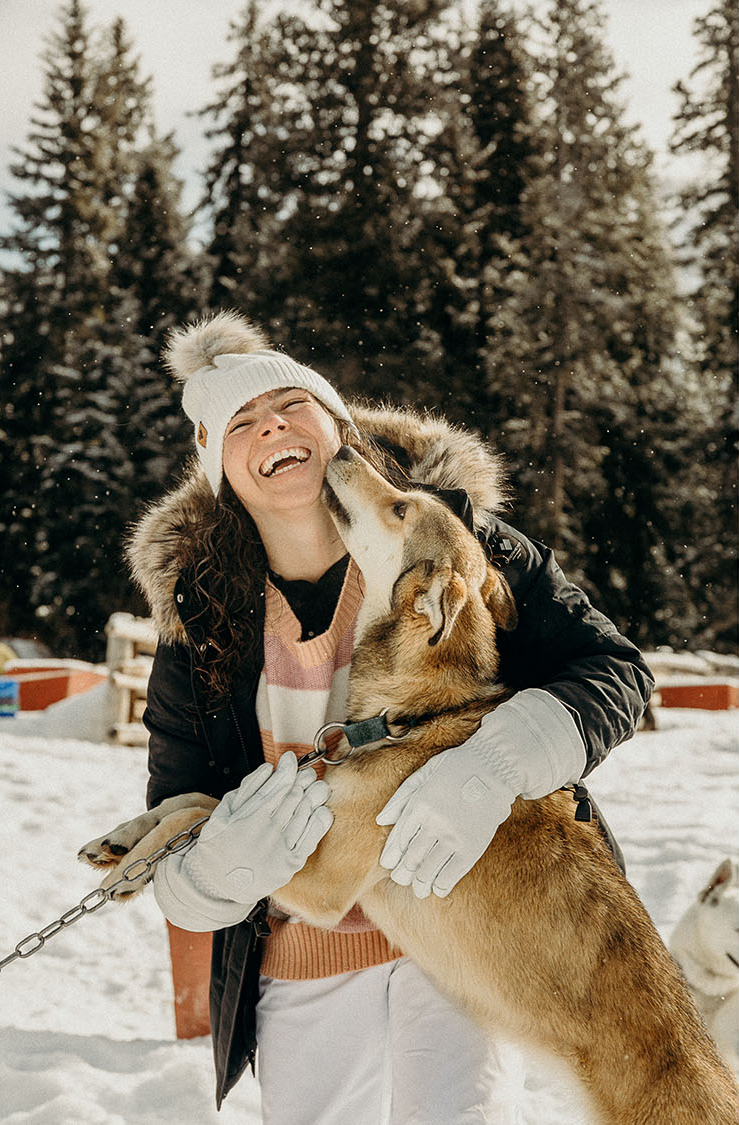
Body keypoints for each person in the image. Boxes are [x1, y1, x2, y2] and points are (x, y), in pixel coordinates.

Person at [127, 312, 652, 1121]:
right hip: (302, 949)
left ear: (335, 425)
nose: (270, 423)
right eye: (240, 421)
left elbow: (615, 671)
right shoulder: (199, 621)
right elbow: (178, 796)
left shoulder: (451, 538)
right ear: (217, 469)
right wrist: (214, 875)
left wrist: (497, 765)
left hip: (472, 927)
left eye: (290, 402)